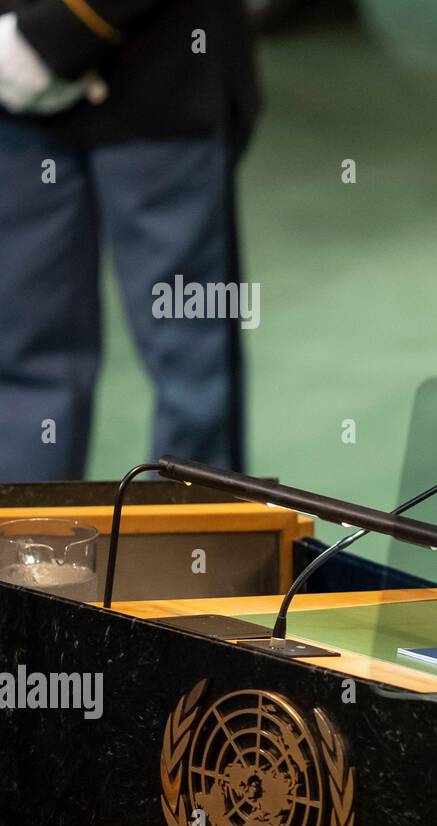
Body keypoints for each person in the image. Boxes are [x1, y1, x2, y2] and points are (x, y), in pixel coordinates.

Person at [0, 0, 259, 481]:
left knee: (193, 375)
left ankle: (197, 551)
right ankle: (26, 551)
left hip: (165, 74)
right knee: (19, 368)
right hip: (11, 95)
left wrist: (57, 32)